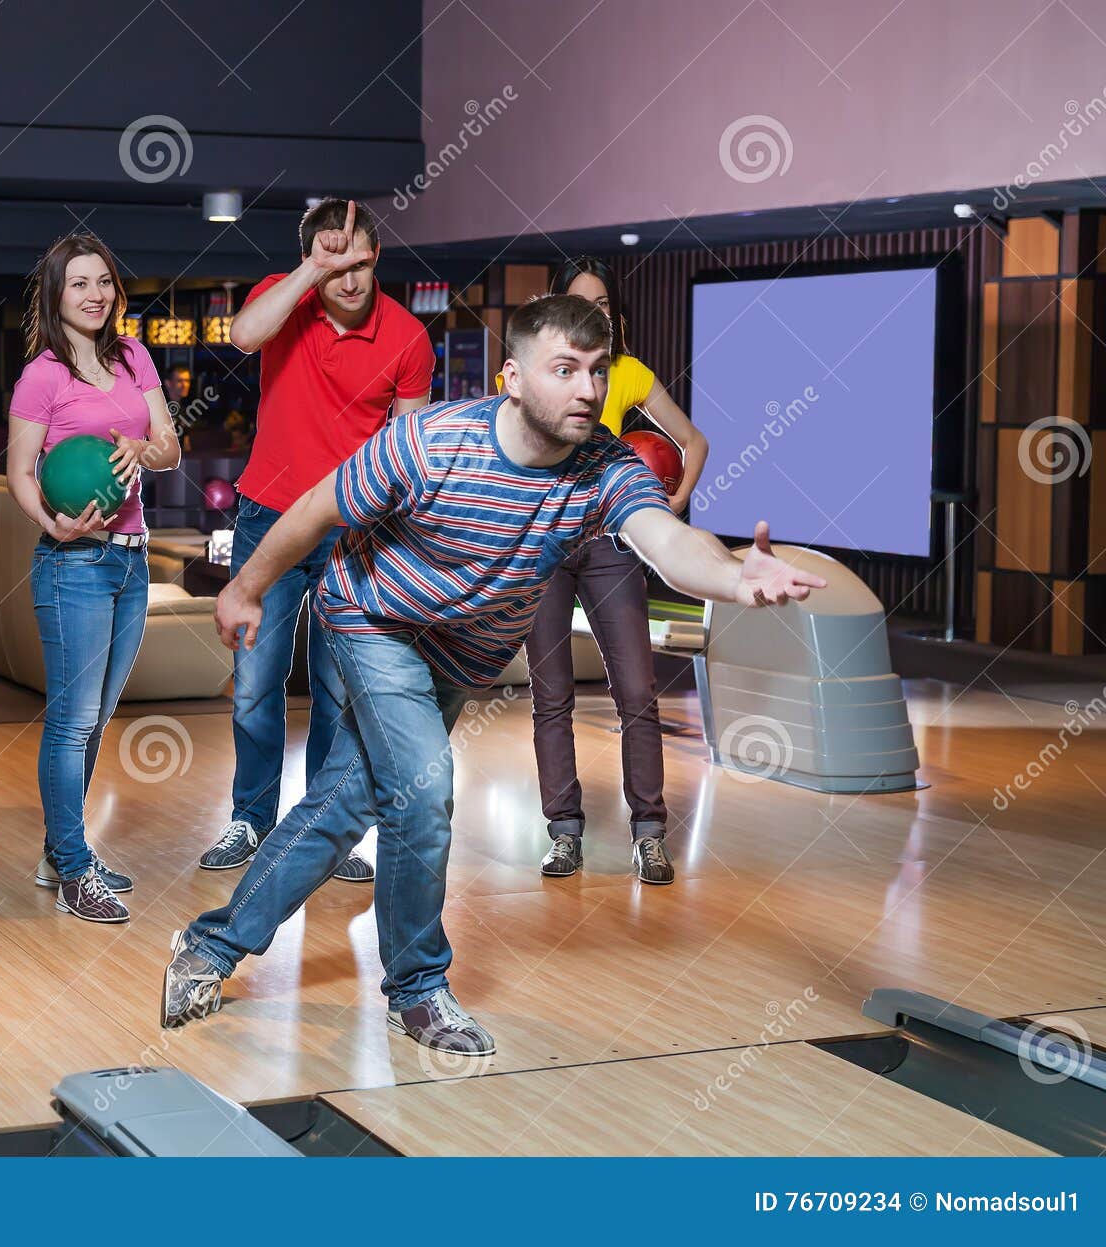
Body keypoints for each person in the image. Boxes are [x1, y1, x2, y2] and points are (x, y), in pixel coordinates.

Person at [162, 295, 825, 1053]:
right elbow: (317, 508)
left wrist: (735, 577)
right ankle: (417, 989)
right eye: (566, 369)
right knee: (423, 787)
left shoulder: (602, 467)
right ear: (512, 376)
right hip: (375, 619)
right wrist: (246, 587)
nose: (588, 389)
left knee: (348, 804)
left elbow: (668, 541)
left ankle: (205, 949)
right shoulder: (430, 442)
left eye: (598, 371)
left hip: (461, 653)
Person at [199, 198, 435, 882]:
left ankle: (325, 835)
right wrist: (311, 271)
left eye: (361, 261)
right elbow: (244, 336)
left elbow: (407, 446)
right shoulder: (282, 300)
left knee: (338, 694)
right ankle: (251, 818)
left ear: (377, 256)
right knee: (254, 684)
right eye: (336, 264)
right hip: (267, 519)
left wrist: (403, 539)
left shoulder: (408, 337)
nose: (352, 279)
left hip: (352, 534)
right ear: (311, 261)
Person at [6, 233, 180, 924]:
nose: (96, 294)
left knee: (97, 718)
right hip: (72, 562)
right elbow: (20, 473)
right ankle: (74, 869)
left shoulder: (134, 355)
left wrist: (145, 445)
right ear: (56, 294)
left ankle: (62, 849)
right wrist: (52, 525)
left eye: (104, 281)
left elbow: (169, 446)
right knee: (73, 719)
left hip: (131, 557)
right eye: (80, 283)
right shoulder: (42, 375)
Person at [526, 257, 708, 885]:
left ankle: (650, 833)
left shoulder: (627, 373)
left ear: (615, 315)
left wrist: (671, 504)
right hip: (547, 544)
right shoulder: (540, 375)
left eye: (602, 304)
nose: (593, 313)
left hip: (611, 543)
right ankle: (563, 832)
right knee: (551, 697)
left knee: (637, 692)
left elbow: (694, 441)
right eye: (579, 302)